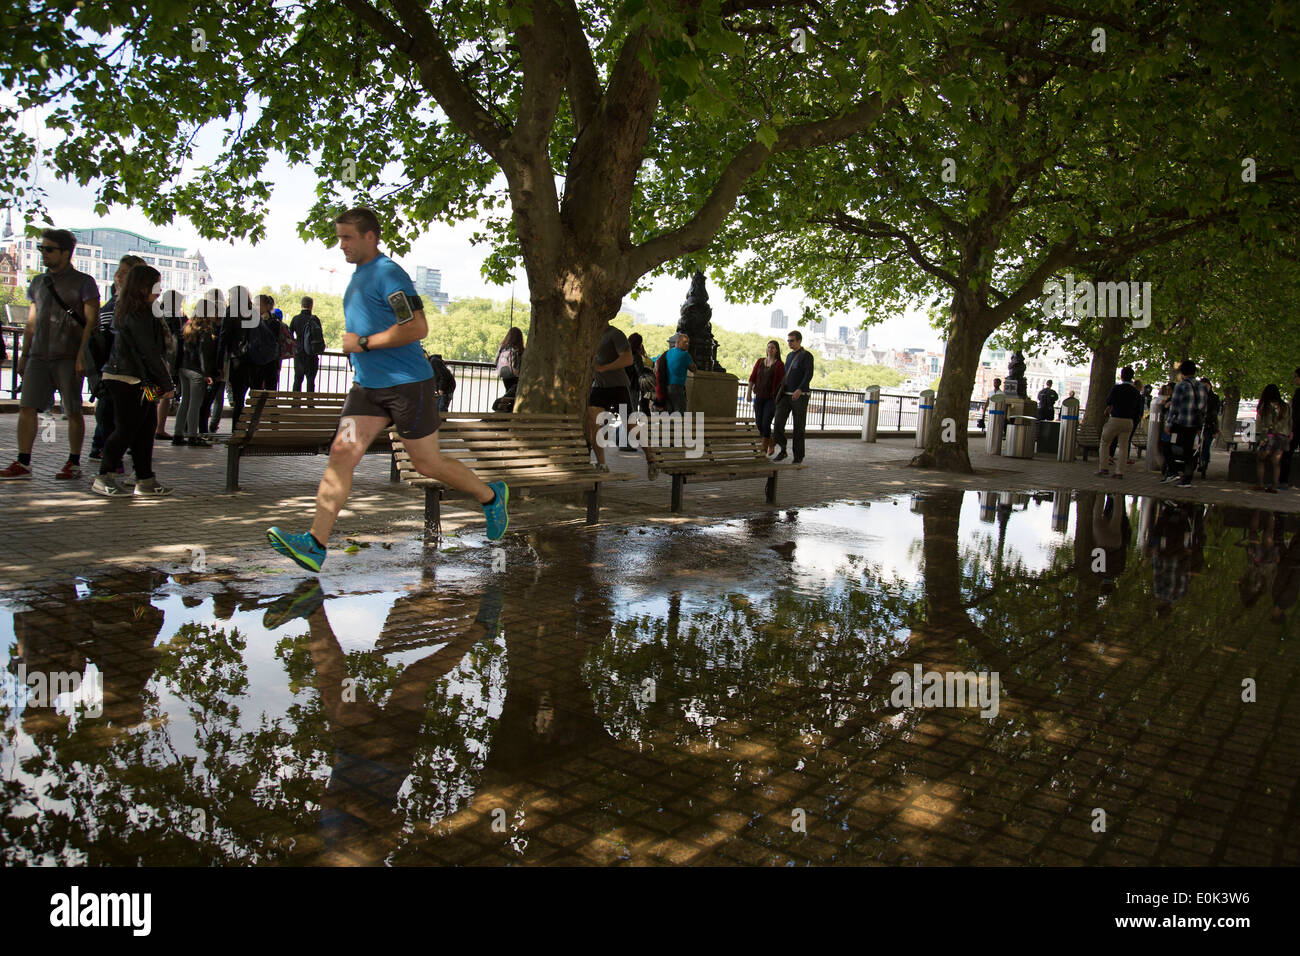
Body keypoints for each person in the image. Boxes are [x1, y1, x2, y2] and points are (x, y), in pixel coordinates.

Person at [268, 207, 507, 571]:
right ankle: (315, 543)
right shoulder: (358, 277)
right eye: (339, 237)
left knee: (427, 464)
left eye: (347, 237)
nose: (341, 245)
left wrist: (362, 342)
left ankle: (491, 497)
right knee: (341, 455)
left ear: (370, 237)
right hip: (367, 390)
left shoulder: (388, 273)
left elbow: (417, 327)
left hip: (408, 386)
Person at [0, 228, 100, 481]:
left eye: (49, 249)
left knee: (73, 409)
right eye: (41, 248)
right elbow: (32, 321)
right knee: (27, 406)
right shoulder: (38, 282)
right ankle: (23, 462)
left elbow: (91, 322)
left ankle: (73, 462)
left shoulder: (84, 282)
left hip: (68, 356)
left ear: (65, 252)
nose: (43, 253)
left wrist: (81, 355)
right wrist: (24, 354)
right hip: (38, 356)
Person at [91, 264, 175, 497]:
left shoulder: (145, 310)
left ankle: (145, 478)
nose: (159, 289)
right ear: (142, 286)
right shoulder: (136, 313)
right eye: (156, 284)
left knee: (146, 428)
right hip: (126, 380)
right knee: (127, 429)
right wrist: (167, 383)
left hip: (142, 381)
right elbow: (148, 350)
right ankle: (104, 475)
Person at [88, 254, 146, 463]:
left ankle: (104, 448)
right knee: (112, 411)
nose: (119, 277)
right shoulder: (115, 306)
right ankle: (106, 453)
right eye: (119, 272)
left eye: (125, 273)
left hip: (121, 369)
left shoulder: (126, 306)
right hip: (116, 368)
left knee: (115, 412)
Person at [586, 316, 632, 470]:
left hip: (618, 386)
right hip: (599, 387)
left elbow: (628, 359)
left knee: (631, 424)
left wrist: (602, 368)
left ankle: (651, 457)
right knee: (593, 423)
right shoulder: (589, 336)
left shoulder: (615, 334)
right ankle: (602, 463)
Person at [175, 296, 218, 446]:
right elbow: (203, 354)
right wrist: (206, 374)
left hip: (184, 368)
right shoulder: (205, 331)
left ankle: (178, 434)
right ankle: (192, 435)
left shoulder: (187, 327)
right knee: (195, 403)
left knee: (184, 402)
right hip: (196, 371)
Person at [216, 286, 254, 431]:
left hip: (237, 358)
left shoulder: (232, 311)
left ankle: (236, 431)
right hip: (253, 360)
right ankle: (246, 429)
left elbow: (223, 338)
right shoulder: (253, 311)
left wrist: (219, 363)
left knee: (238, 399)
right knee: (246, 396)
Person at [1162, 360, 1206, 487]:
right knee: (1188, 451)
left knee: (1166, 445)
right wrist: (1200, 425)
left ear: (1182, 371)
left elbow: (1174, 407)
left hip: (1180, 422)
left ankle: (1173, 471)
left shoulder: (1181, 386)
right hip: (1194, 424)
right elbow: (1204, 408)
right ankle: (1187, 479)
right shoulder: (1202, 387)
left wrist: (1168, 423)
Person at [772, 329, 813, 463]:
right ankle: (783, 450)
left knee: (798, 427)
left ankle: (798, 456)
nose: (789, 343)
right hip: (786, 395)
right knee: (778, 424)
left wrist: (800, 389)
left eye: (792, 340)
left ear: (799, 341)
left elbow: (808, 374)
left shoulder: (807, 356)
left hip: (800, 396)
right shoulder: (789, 356)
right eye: (788, 340)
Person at [1098, 366, 1142, 478]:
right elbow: (1138, 409)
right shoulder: (1136, 392)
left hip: (1116, 418)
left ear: (1121, 376)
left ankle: (1104, 468)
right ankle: (1119, 472)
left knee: (1105, 441)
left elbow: (1109, 401)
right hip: (1128, 421)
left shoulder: (1117, 388)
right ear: (1132, 377)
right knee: (1124, 446)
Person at [153, 290, 184, 441]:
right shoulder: (173, 317)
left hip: (154, 360)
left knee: (152, 395)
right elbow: (175, 342)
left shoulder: (157, 312)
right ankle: (159, 428)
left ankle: (152, 427)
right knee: (166, 394)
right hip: (167, 361)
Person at [199, 289, 229, 434]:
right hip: (218, 366)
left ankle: (194, 427)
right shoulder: (224, 322)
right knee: (216, 397)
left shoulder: (203, 326)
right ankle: (210, 427)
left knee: (202, 399)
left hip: (207, 368)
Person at [749, 339, 785, 456]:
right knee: (759, 423)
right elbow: (752, 378)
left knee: (766, 422)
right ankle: (771, 441)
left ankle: (763, 448)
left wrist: (778, 398)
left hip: (771, 398)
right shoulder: (760, 361)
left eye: (773, 348)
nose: (770, 349)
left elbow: (781, 383)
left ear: (777, 350)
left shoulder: (779, 365)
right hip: (759, 397)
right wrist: (748, 393)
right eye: (768, 347)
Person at [1253, 383, 1288, 493]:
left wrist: (1263, 439)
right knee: (1276, 462)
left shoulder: (1267, 405)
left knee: (1261, 459)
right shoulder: (1285, 406)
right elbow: (1289, 422)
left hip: (1270, 435)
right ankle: (1274, 486)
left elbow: (1267, 424)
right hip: (1283, 436)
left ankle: (1260, 484)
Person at [248, 294, 284, 391]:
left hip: (267, 361)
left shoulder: (274, 322)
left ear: (267, 306)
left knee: (269, 390)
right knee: (256, 389)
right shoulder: (253, 319)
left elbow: (272, 338)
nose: (255, 307)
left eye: (257, 305)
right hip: (259, 361)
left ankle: (267, 406)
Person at [289, 296, 323, 393]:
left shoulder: (296, 319)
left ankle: (295, 404)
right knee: (311, 380)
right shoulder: (315, 320)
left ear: (301, 305)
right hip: (312, 353)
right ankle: (310, 404)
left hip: (299, 353)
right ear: (311, 306)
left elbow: (289, 335)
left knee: (298, 379)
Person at [661, 332, 695, 413]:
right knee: (680, 410)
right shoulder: (685, 355)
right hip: (677, 387)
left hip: (666, 386)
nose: (687, 344)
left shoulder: (668, 353)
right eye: (684, 342)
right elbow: (694, 369)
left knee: (669, 410)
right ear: (677, 342)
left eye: (688, 342)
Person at [1196, 377, 1220, 478]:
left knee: (1206, 445)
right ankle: (1196, 461)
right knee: (1196, 445)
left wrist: (1215, 428)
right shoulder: (1197, 397)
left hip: (1209, 424)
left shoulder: (1214, 398)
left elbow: (1215, 413)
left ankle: (1204, 463)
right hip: (1197, 424)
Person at [626, 332, 653, 418]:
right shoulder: (636, 356)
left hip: (624, 383)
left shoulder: (625, 353)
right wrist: (648, 371)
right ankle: (632, 429)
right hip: (633, 385)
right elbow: (640, 371)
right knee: (633, 408)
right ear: (639, 344)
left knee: (626, 409)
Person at [495, 326, 524, 395]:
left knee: (508, 392)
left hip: (504, 375)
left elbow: (495, 361)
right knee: (514, 394)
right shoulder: (518, 349)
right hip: (515, 376)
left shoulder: (502, 348)